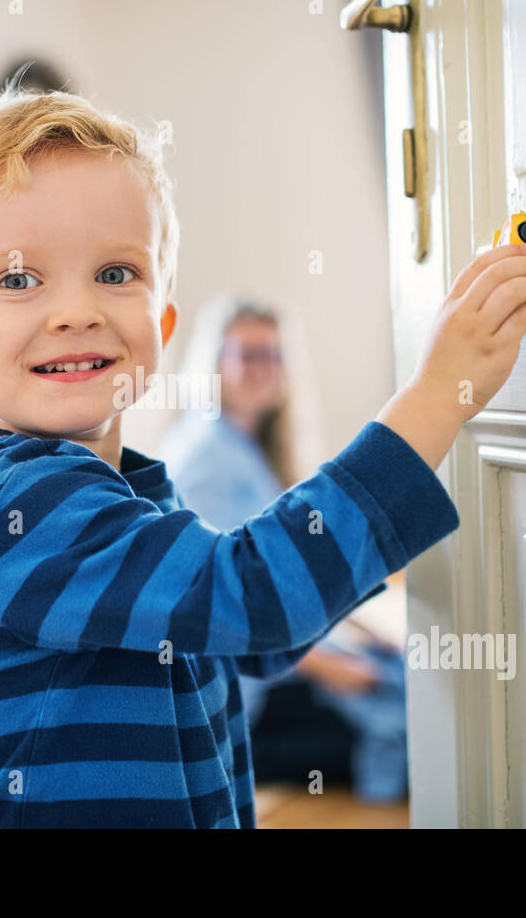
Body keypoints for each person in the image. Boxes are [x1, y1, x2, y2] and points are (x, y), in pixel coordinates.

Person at [0, 80, 526, 827]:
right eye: (18, 279)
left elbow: (237, 639)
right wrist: (437, 396)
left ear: (162, 322)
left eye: (116, 275)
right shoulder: (13, 504)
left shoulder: (132, 492)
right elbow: (250, 598)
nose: (76, 311)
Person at [155, 296, 414, 802]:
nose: (263, 369)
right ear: (215, 364)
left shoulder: (241, 447)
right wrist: (336, 668)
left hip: (272, 672)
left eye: (273, 356)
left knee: (404, 683)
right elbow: (230, 603)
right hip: (245, 699)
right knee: (407, 722)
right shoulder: (208, 459)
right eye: (247, 355)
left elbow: (292, 573)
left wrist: (364, 631)